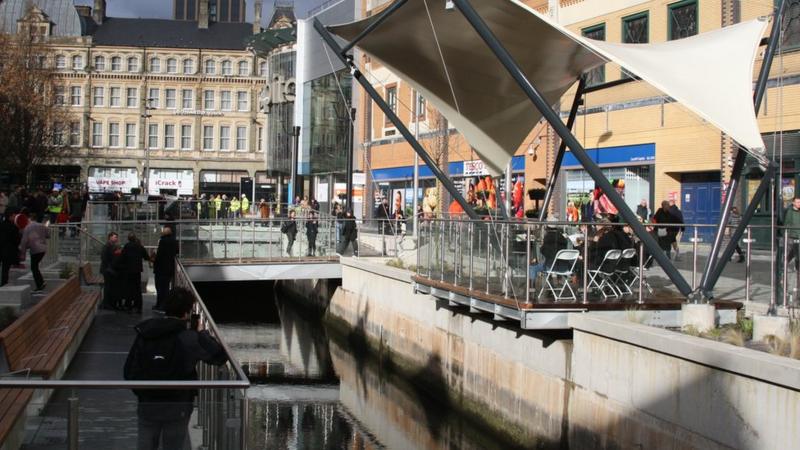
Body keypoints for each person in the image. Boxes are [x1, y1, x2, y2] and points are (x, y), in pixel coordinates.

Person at [124, 287, 227, 450]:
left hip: (148, 403)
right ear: (187, 313)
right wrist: (202, 334)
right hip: (178, 403)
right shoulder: (189, 338)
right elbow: (219, 357)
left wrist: (143, 392)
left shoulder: (145, 332)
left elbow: (129, 371)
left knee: (145, 443)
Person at [529, 217, 569, 287]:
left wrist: (541, 248)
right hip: (564, 267)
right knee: (549, 262)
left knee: (532, 267)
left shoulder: (548, 238)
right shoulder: (563, 238)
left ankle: (531, 289)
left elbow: (544, 252)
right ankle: (551, 285)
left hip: (551, 266)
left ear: (547, 227)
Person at [117, 233, 150, 313]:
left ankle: (128, 305)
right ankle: (138, 305)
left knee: (128, 288)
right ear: (135, 238)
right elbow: (146, 257)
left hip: (128, 270)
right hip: (137, 270)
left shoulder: (126, 246)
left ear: (128, 239)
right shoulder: (139, 246)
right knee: (137, 288)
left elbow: (122, 258)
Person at [18, 212, 48, 291]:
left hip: (35, 249)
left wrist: (22, 253)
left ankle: (40, 284)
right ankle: (41, 282)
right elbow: (48, 235)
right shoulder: (42, 226)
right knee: (35, 266)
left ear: (29, 219)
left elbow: (24, 241)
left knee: (34, 267)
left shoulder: (27, 227)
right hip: (43, 248)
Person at [152, 227, 179, 312]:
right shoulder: (174, 241)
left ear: (164, 233)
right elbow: (177, 251)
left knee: (160, 287)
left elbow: (159, 255)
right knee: (166, 287)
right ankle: (164, 305)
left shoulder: (162, 241)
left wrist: (154, 262)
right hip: (169, 268)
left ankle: (160, 304)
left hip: (161, 268)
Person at [100, 232, 121, 309]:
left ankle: (109, 302)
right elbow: (104, 258)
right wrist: (110, 267)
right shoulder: (107, 246)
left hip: (110, 269)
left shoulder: (113, 246)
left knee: (110, 287)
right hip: (107, 270)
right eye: (115, 237)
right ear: (110, 237)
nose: (116, 238)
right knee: (108, 287)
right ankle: (106, 303)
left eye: (116, 237)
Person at [0, 211, 20, 286]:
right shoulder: (13, 227)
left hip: (1, 248)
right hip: (8, 250)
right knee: (5, 268)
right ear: (10, 216)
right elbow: (17, 240)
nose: (15, 218)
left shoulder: (1, 225)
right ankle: (3, 283)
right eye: (14, 216)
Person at [784, 197, 800, 271]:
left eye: (799, 202)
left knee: (795, 251)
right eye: (797, 202)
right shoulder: (790, 212)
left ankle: (786, 262)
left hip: (799, 234)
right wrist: (788, 234)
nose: (799, 204)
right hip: (794, 235)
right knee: (796, 251)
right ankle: (796, 267)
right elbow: (787, 223)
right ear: (793, 203)